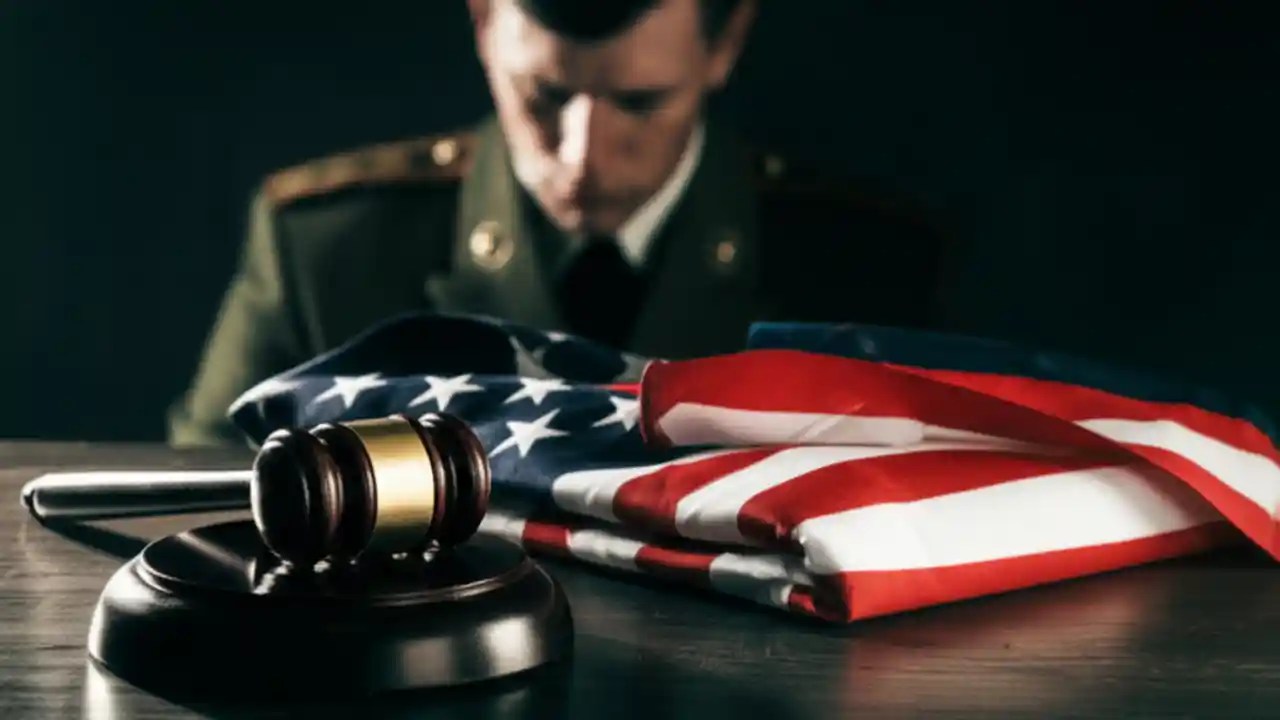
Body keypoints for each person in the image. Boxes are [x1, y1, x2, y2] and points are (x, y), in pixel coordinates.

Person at [167, 0, 949, 447]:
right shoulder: (326, 249)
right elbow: (190, 506)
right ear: (482, 22)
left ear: (728, 42)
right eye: (543, 96)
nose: (583, 159)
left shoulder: (864, 265)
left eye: (640, 103)